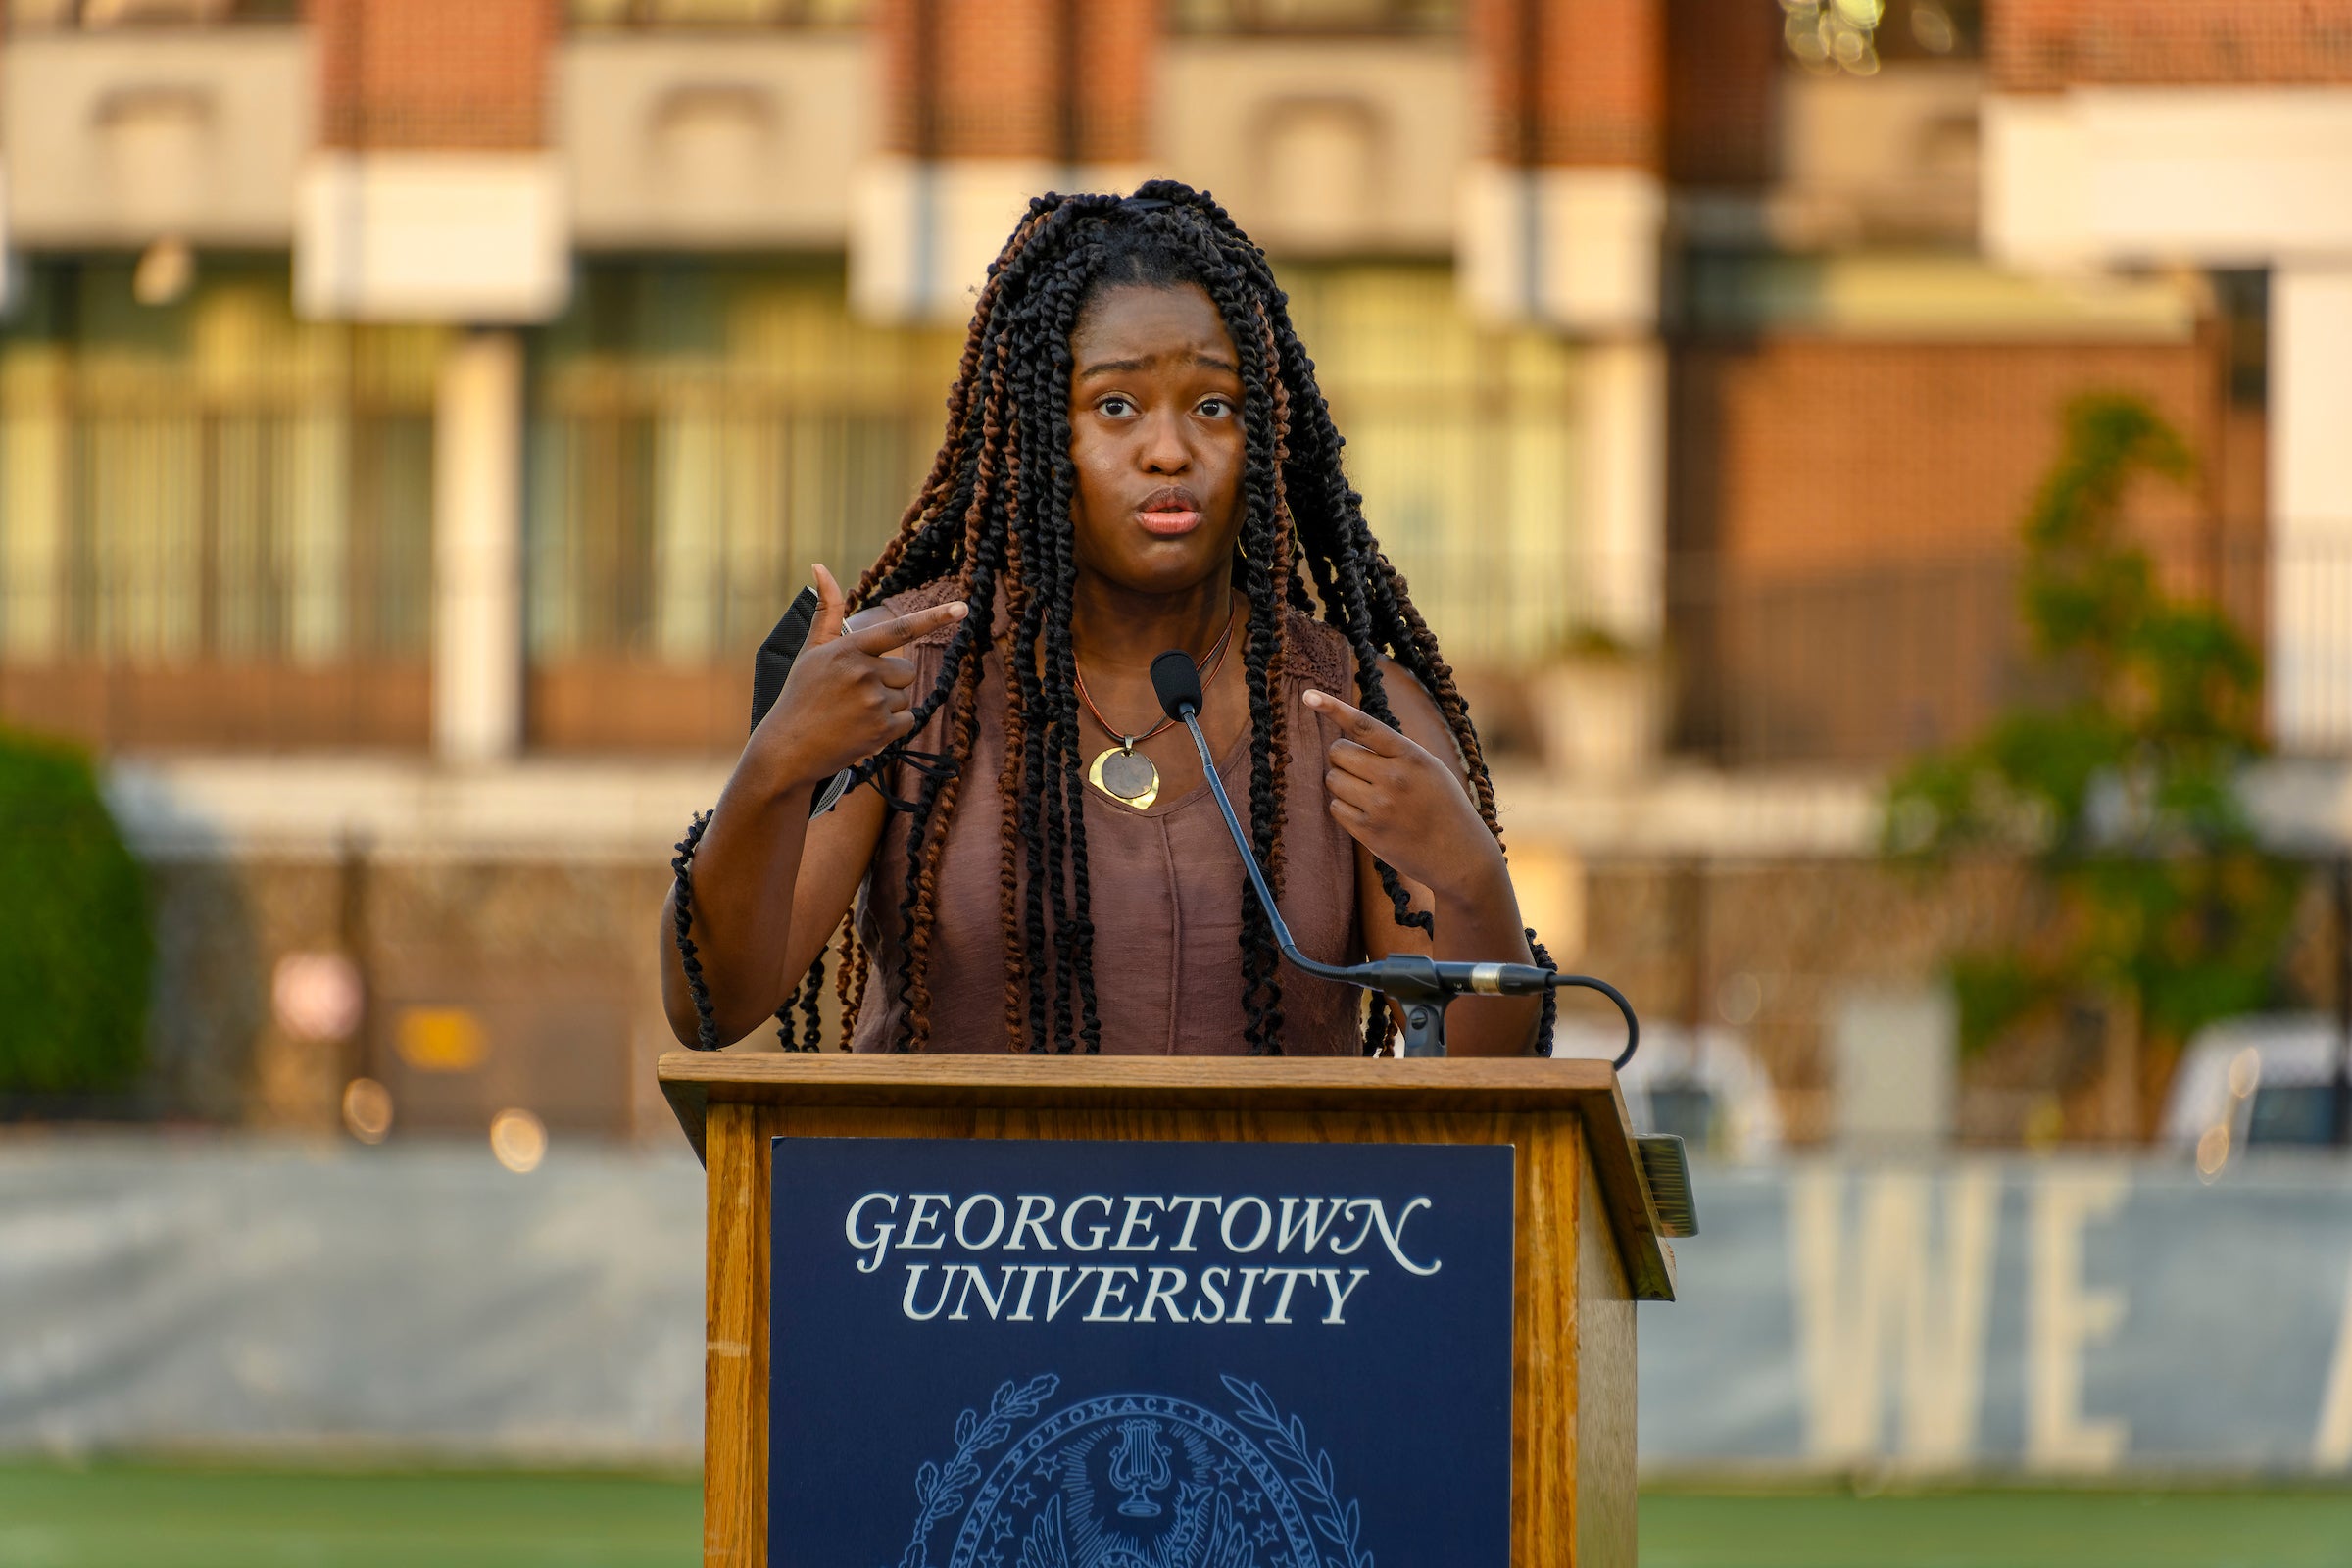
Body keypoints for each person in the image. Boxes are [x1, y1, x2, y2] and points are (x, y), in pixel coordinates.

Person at [661, 182, 1557, 1057]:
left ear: (1267, 436)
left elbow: (1483, 1083)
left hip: (1261, 1213)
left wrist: (1474, 879)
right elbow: (713, 1006)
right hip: (948, 1208)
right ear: (1037, 430)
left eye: (1213, 406)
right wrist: (774, 766)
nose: (1169, 450)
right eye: (1116, 406)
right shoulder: (908, 676)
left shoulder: (1352, 710)